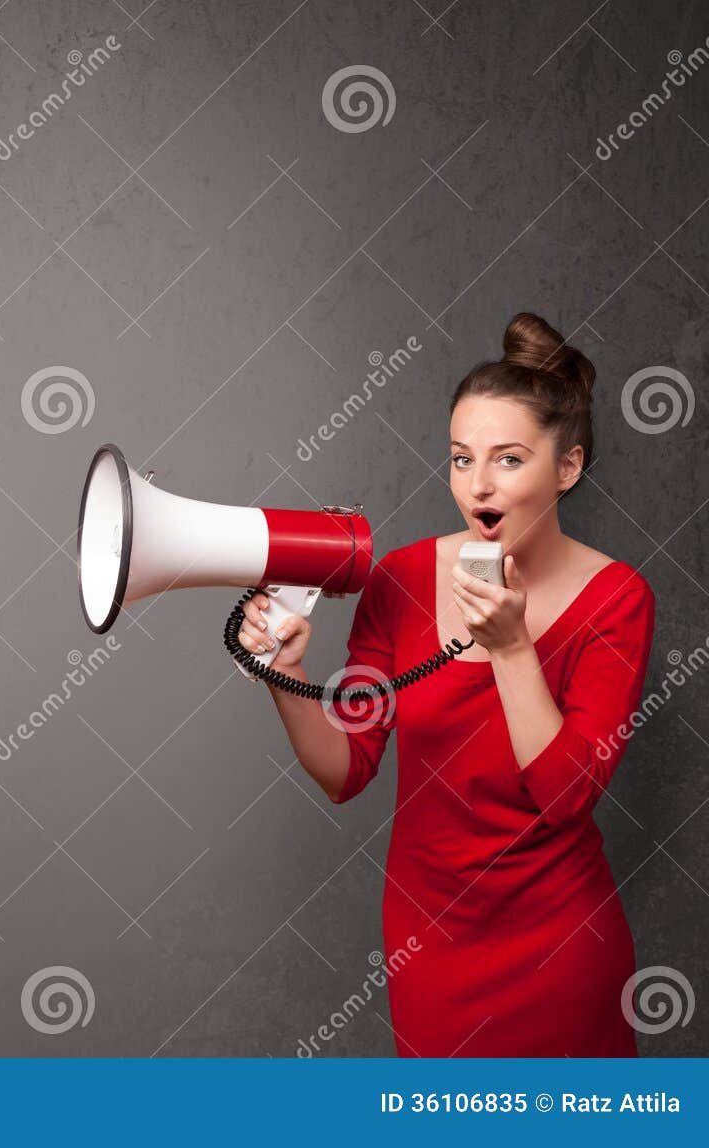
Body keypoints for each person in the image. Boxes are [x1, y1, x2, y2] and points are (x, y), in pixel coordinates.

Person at [239, 312, 656, 1056]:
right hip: (429, 947)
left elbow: (567, 798)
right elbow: (347, 770)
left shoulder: (617, 598)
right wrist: (284, 674)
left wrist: (511, 649)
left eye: (508, 459)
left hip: (561, 950)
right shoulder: (398, 580)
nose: (478, 486)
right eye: (462, 459)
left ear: (567, 468)